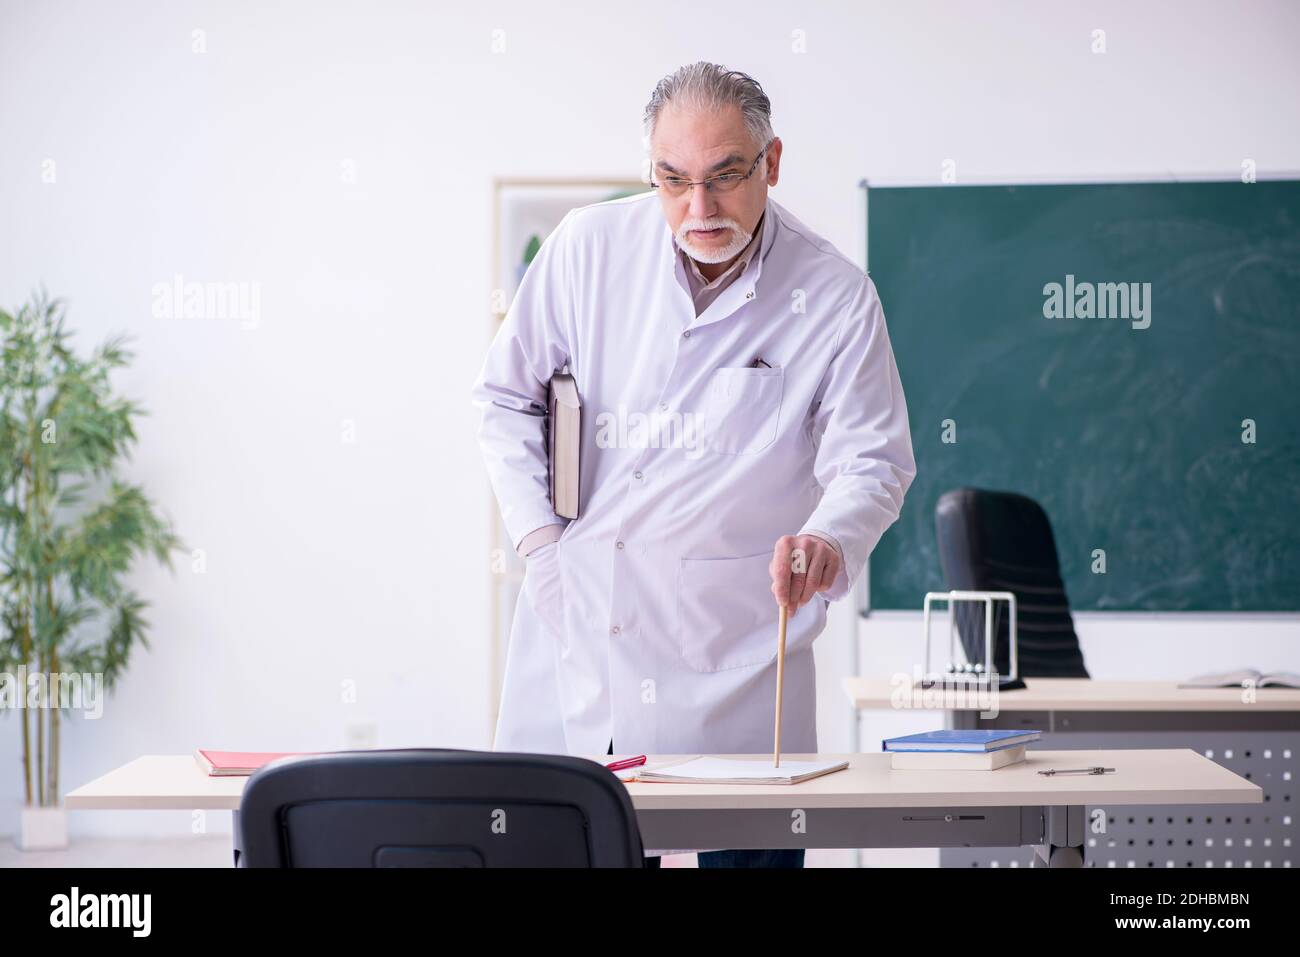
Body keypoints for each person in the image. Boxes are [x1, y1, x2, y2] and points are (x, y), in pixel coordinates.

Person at [470, 61, 916, 868]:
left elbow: (875, 461)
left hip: (734, 665)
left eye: (724, 178)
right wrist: (538, 543)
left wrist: (826, 538)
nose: (698, 209)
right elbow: (503, 400)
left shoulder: (836, 296)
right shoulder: (588, 248)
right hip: (581, 628)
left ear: (771, 164)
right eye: (673, 180)